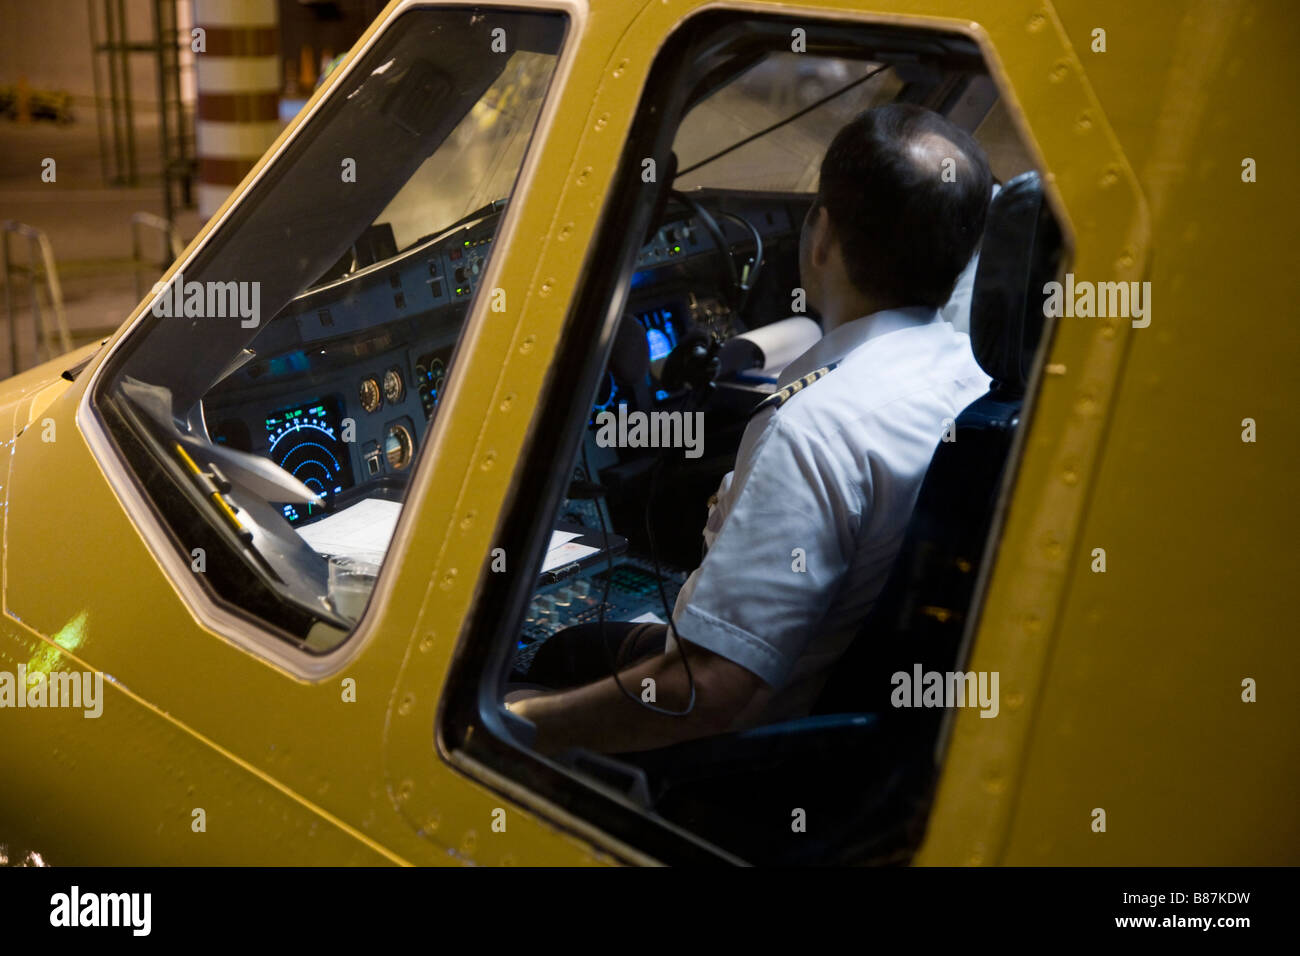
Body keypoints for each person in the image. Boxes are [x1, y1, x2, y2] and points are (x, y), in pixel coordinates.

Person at [512, 103, 993, 755]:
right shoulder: (970, 375)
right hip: (861, 711)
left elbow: (712, 689)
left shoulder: (815, 427)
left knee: (517, 692)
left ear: (819, 236)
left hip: (757, 752)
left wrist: (517, 728)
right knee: (574, 649)